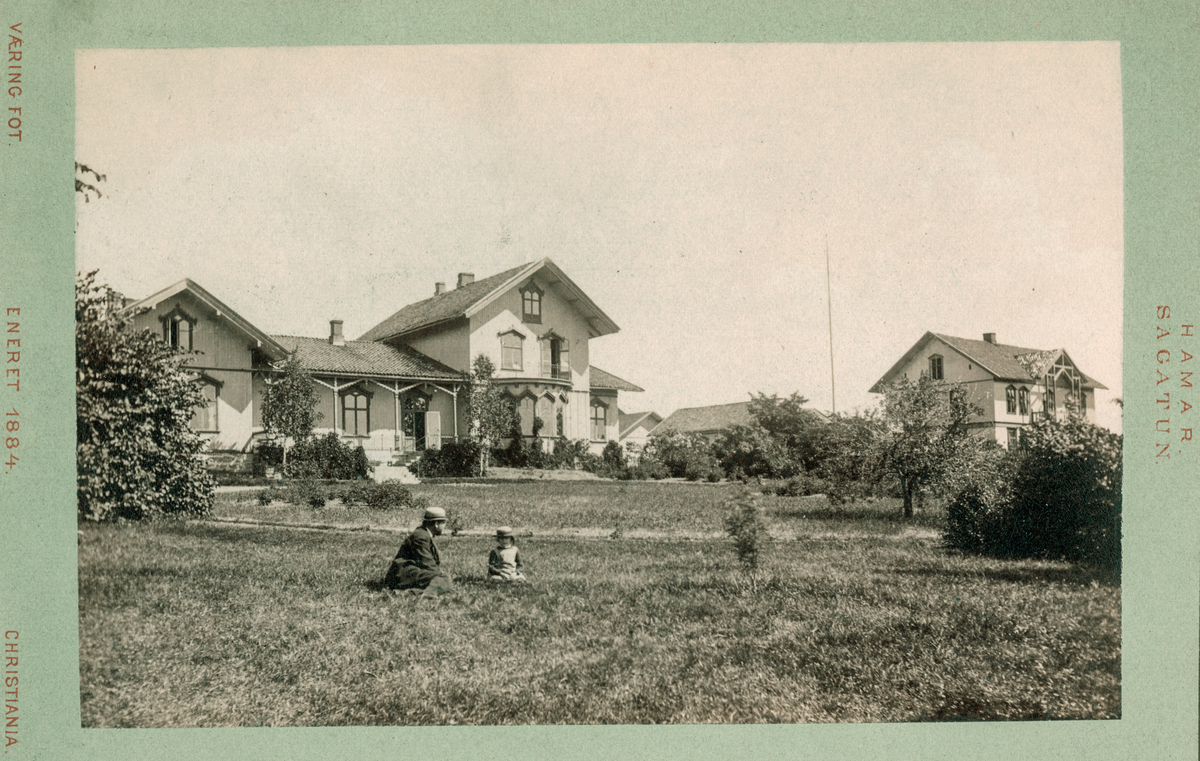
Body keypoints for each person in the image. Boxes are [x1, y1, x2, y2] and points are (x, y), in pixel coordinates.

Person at [383, 506, 453, 596]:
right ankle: (423, 594)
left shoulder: (423, 534)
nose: (444, 526)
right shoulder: (421, 537)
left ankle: (407, 593)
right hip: (402, 575)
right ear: (436, 523)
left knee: (444, 581)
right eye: (443, 522)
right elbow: (427, 562)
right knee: (444, 580)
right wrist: (440, 575)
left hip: (411, 572)